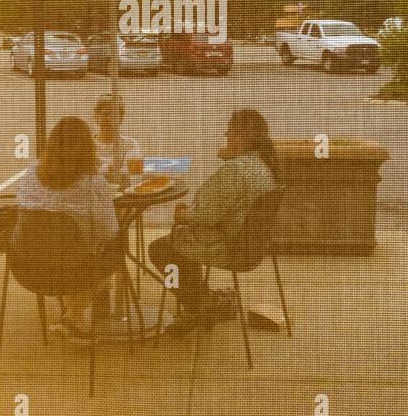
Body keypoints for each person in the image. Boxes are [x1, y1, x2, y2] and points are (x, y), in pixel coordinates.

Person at [147, 108, 280, 334]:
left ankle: (202, 304)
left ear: (243, 137)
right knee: (180, 243)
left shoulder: (235, 171)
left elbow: (206, 215)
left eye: (228, 134)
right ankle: (205, 301)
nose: (226, 139)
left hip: (229, 247)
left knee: (160, 249)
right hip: (252, 246)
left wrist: (182, 214)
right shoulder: (264, 165)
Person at [16, 116, 121, 336]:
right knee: (114, 250)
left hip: (28, 265)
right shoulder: (92, 184)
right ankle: (75, 315)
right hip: (75, 268)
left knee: (73, 249)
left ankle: (73, 314)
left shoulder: (29, 175)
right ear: (88, 148)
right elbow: (108, 232)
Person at [93, 93, 142, 184]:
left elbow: (133, 176)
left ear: (121, 118)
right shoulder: (86, 145)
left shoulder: (131, 145)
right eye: (106, 113)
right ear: (96, 116)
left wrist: (101, 169)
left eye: (114, 114)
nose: (109, 118)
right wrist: (111, 168)